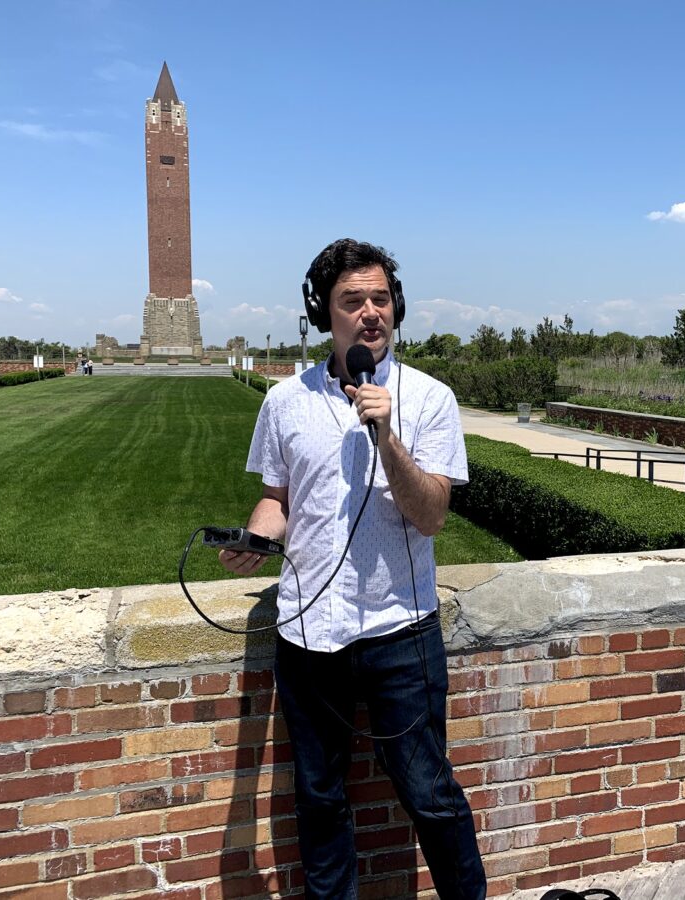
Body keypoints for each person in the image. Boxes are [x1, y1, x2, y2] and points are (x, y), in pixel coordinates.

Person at [219, 238, 486, 899]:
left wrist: (386, 435)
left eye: (380, 298)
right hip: (309, 632)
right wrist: (257, 533)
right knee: (319, 799)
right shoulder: (285, 402)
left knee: (430, 794)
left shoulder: (429, 399)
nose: (371, 312)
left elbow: (431, 516)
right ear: (322, 313)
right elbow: (279, 499)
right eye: (352, 301)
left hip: (402, 630)